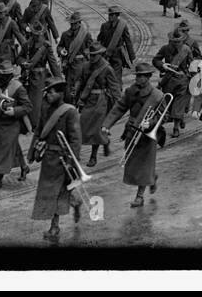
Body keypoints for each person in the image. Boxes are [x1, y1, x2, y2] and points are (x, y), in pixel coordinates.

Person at [100, 60, 168, 207]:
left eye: (141, 76)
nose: (138, 79)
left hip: (148, 135)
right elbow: (119, 108)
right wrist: (106, 125)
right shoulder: (131, 91)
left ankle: (140, 196)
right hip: (132, 130)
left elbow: (164, 116)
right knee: (133, 164)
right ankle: (152, 177)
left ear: (148, 77)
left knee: (144, 165)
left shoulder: (157, 95)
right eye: (137, 76)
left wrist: (150, 123)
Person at [31, 78, 82, 244]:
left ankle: (55, 226)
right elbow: (39, 130)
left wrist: (71, 161)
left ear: (60, 93)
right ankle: (75, 202)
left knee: (56, 193)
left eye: (51, 92)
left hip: (63, 159)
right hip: (48, 158)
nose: (48, 95)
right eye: (47, 92)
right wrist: (32, 152)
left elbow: (75, 139)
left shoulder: (70, 111)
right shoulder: (45, 108)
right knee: (50, 192)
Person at [71, 41, 118, 166]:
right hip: (88, 100)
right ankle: (105, 141)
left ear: (100, 54)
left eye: (94, 55)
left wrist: (119, 106)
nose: (91, 58)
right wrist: (75, 90)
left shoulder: (107, 68)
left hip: (101, 100)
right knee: (83, 124)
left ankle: (93, 156)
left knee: (96, 128)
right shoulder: (86, 66)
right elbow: (81, 80)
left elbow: (114, 87)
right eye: (90, 55)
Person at [0, 60, 31, 189]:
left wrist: (15, 111)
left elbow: (28, 106)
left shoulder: (18, 87)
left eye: (4, 76)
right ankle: (24, 167)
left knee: (2, 150)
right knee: (12, 146)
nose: (1, 78)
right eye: (0, 75)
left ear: (10, 76)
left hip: (12, 123)